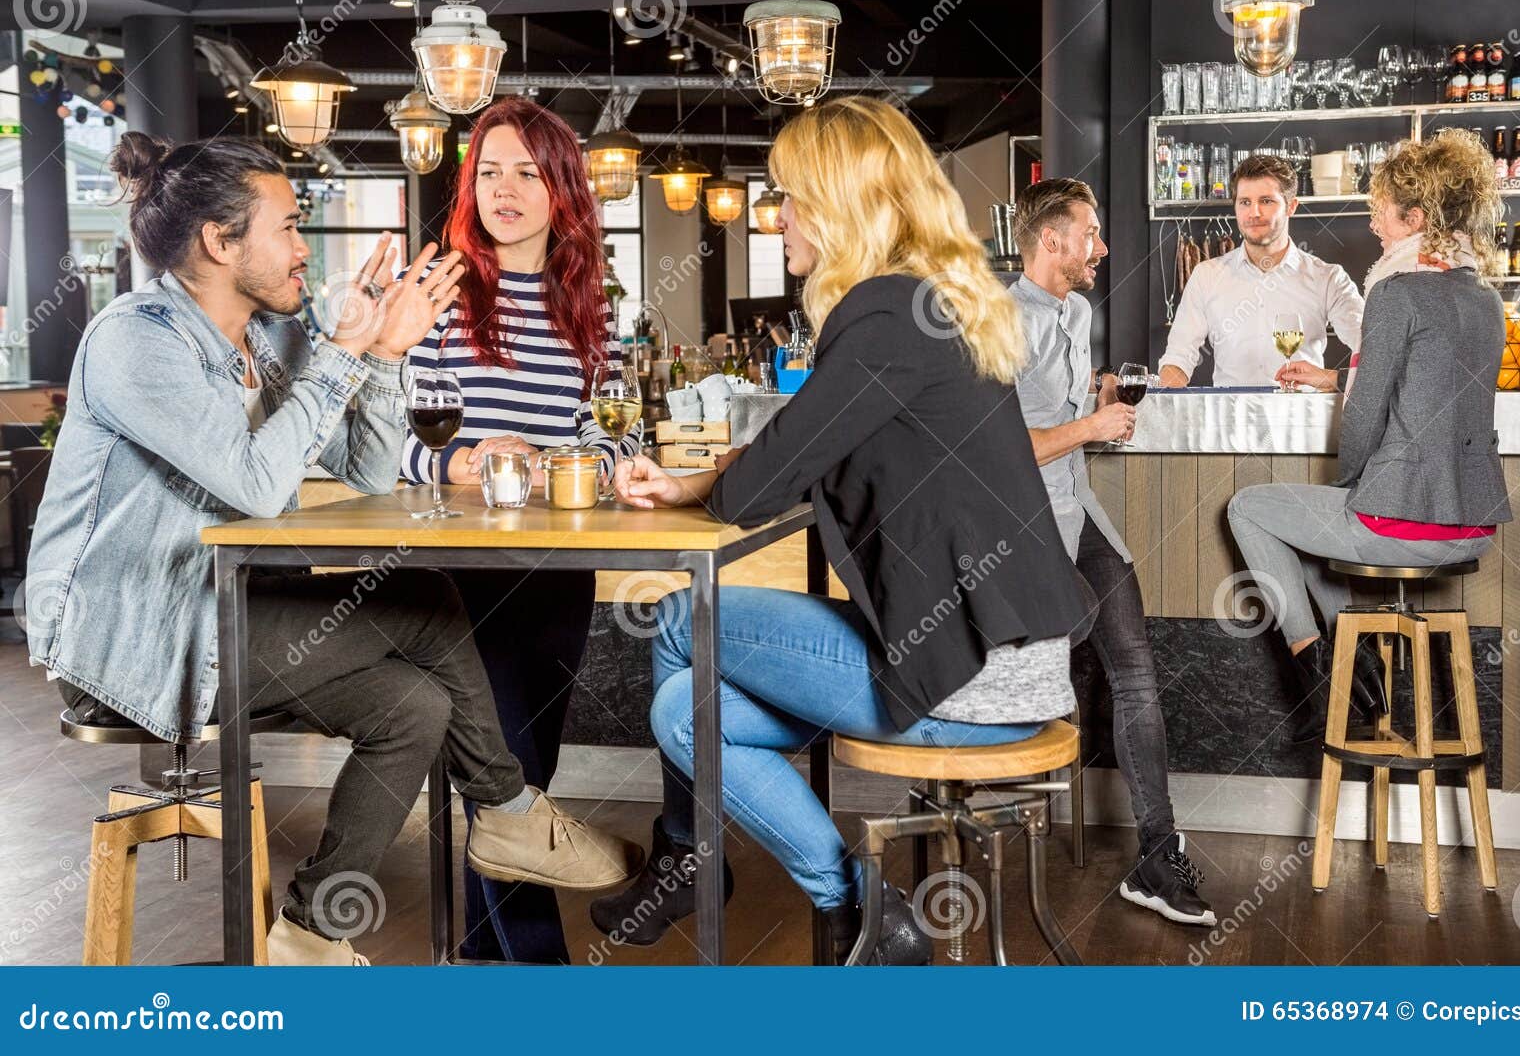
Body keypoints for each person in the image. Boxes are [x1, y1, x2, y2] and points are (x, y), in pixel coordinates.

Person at [26, 133, 641, 965]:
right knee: (424, 600)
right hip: (134, 638)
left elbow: (366, 472)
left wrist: (382, 357)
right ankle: (507, 811)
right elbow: (251, 480)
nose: (303, 251)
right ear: (219, 240)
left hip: (220, 612)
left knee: (413, 707)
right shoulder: (138, 339)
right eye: (288, 226)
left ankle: (313, 934)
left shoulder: (249, 352)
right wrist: (345, 352)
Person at [590, 97, 1095, 963]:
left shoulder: (884, 312)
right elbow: (790, 453)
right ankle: (756, 878)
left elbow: (757, 484)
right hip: (1013, 663)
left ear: (839, 205)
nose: (775, 215)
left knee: (679, 621)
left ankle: (817, 890)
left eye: (787, 196)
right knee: (683, 708)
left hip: (967, 683)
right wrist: (691, 480)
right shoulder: (932, 302)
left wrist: (697, 484)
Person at [401, 97, 642, 964]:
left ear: (561, 189)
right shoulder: (443, 289)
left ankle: (478, 958)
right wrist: (464, 463)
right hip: (457, 568)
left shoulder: (590, 306)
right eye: (489, 170)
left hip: (557, 567)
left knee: (518, 775)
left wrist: (581, 461)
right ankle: (544, 976)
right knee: (505, 785)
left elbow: (609, 433)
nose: (505, 189)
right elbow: (396, 440)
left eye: (527, 172)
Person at [1227, 129, 1510, 743]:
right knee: (1326, 525)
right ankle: (1359, 671)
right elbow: (1429, 382)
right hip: (1474, 526)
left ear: (1414, 217)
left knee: (1249, 507)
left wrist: (1355, 483)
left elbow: (1362, 420)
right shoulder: (1485, 297)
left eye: (1381, 208)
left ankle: (1314, 669)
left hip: (1402, 520)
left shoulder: (1396, 291)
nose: (1373, 221)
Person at [1010, 178, 1214, 926]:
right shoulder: (1003, 320)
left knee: (1135, 668)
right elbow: (998, 451)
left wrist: (1096, 411)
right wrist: (1090, 430)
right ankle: (986, 816)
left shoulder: (1078, 308)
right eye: (1091, 233)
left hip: (1080, 510)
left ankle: (1158, 855)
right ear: (1051, 239)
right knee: (1036, 671)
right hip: (1024, 526)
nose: (1102, 246)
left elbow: (1059, 423)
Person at [1158, 154, 1364, 389]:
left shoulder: (1329, 278)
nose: (1254, 212)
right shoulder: (1207, 275)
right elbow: (1178, 356)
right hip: (1229, 421)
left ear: (1291, 206)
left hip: (1303, 421)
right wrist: (1168, 410)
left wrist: (1333, 378)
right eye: (1245, 202)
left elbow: (1370, 346)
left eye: (1266, 201)